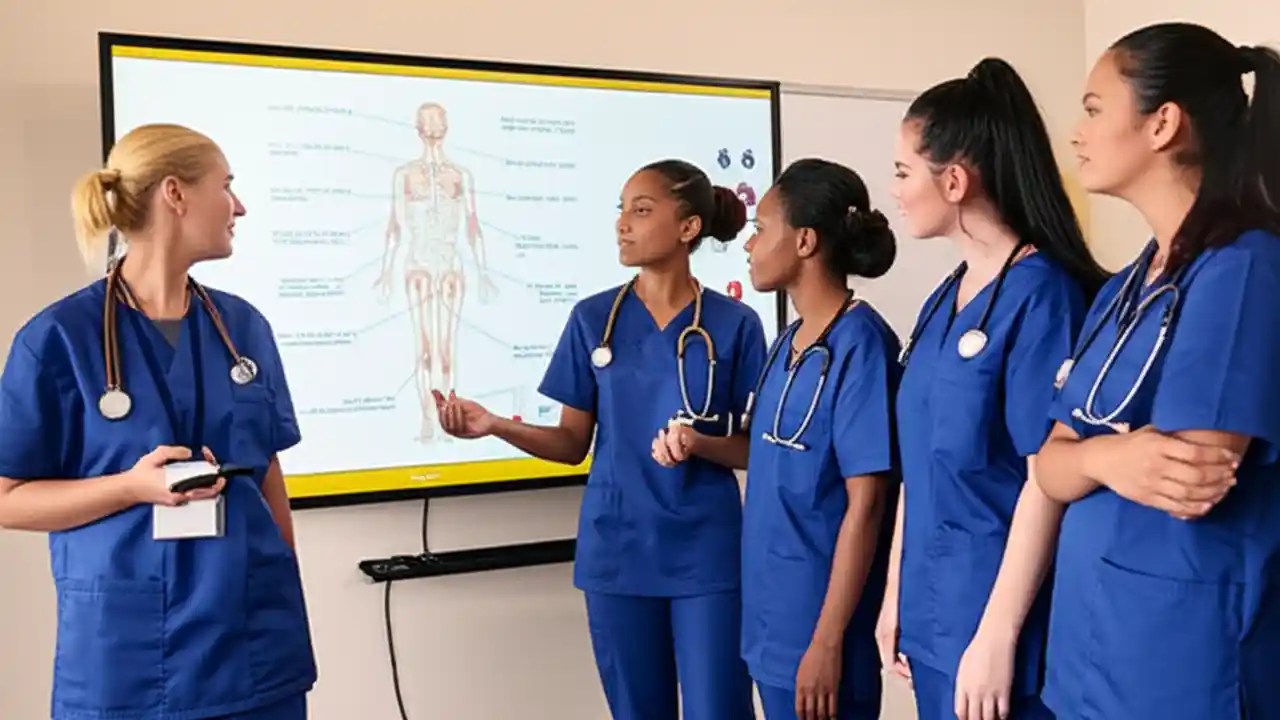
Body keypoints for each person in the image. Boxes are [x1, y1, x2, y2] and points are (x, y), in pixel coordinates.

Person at [0, 123, 316, 719]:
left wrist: (283, 574)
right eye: (226, 186)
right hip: (127, 657)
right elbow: (6, 498)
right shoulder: (59, 339)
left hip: (253, 642)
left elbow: (268, 470)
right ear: (175, 193)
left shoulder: (243, 328)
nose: (239, 206)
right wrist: (130, 487)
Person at [433, 159, 766, 720]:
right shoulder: (593, 319)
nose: (622, 224)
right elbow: (571, 444)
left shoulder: (736, 324)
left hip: (707, 555)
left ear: (688, 227)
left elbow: (755, 448)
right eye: (621, 210)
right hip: (618, 551)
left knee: (719, 709)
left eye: (642, 210)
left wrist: (699, 443)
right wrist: (494, 424)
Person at [1035, 23, 1280, 720]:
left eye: (1093, 109)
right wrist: (1109, 457)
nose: (1077, 133)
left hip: (1181, 661)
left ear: (1162, 124)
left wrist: (1087, 456)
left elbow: (1188, 479)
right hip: (1091, 649)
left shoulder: (1244, 269)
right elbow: (1048, 465)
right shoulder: (1125, 288)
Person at [877, 57, 1110, 720]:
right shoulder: (943, 299)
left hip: (998, 621)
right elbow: (918, 465)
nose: (894, 190)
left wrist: (998, 635)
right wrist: (893, 597)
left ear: (953, 180)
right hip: (931, 612)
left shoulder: (1042, 296)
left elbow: (1047, 476)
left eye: (903, 172)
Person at [736, 158, 901, 720]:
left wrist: (828, 641)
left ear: (804, 241)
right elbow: (768, 454)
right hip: (771, 624)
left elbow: (867, 502)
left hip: (819, 634)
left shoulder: (861, 345)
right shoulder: (788, 344)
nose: (749, 245)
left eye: (761, 229)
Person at [374, 101, 496, 443]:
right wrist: (386, 270)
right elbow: (394, 224)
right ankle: (427, 421)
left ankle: (447, 425)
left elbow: (473, 226)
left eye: (436, 121)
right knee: (425, 350)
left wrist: (483, 271)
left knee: (446, 350)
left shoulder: (460, 175)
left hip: (450, 265)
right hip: (419, 265)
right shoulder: (404, 175)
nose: (432, 127)